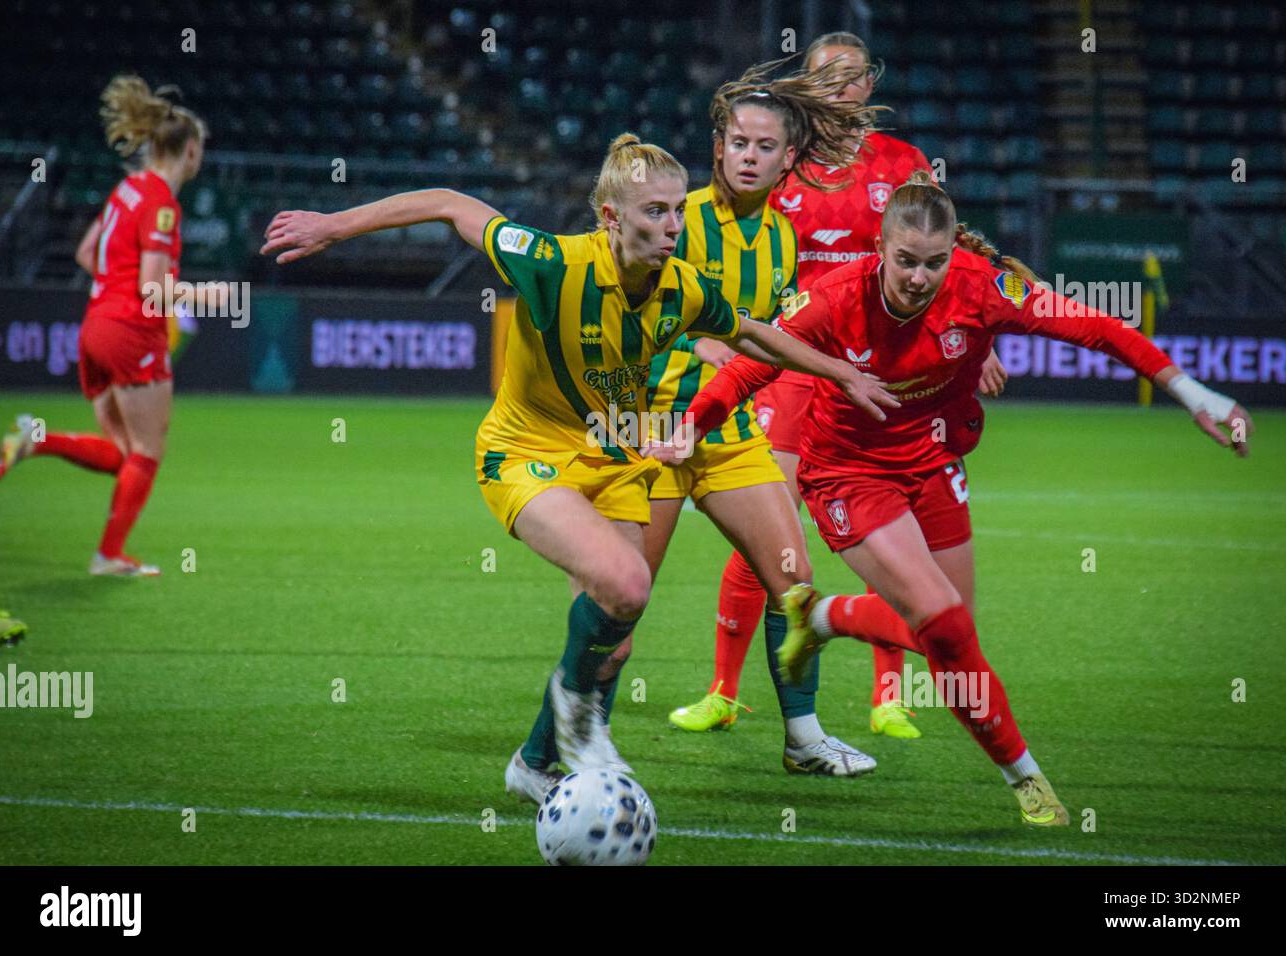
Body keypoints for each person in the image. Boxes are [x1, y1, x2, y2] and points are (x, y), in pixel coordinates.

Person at [259, 133, 895, 803]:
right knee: (626, 586)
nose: (673, 226)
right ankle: (578, 715)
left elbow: (751, 331)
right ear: (610, 217)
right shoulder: (551, 264)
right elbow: (449, 202)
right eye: (655, 211)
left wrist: (840, 374)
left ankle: (535, 764)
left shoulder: (679, 285)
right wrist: (335, 224)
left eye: (678, 210)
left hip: (617, 460)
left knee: (616, 640)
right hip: (528, 452)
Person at [679, 171, 1250, 825]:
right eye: (905, 261)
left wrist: (1196, 395)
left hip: (932, 458)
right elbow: (755, 365)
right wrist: (691, 425)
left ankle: (824, 618)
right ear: (881, 249)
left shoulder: (981, 288)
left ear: (953, 254)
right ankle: (1030, 785)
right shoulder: (833, 298)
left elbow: (1096, 327)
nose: (919, 278)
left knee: (953, 636)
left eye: (934, 262)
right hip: (848, 473)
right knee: (945, 627)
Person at [672, 31, 1006, 740]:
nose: (841, 90)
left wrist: (974, 351)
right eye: (827, 78)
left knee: (896, 525)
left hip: (890, 372)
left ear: (870, 86)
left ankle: (890, 695)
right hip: (799, 366)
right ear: (809, 87)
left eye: (854, 78)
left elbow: (946, 259)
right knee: (770, 529)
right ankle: (724, 690)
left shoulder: (905, 165)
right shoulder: (781, 164)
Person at [609, 61, 881, 775]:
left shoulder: (784, 241)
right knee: (619, 603)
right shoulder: (678, 216)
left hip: (727, 433)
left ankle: (804, 737)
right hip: (655, 433)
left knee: (794, 584)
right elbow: (664, 318)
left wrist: (838, 366)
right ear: (718, 148)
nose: (749, 156)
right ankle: (577, 742)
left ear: (789, 158)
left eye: (764, 146)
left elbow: (765, 336)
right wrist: (718, 343)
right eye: (738, 143)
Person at [0, 75, 216, 576]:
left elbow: (87, 252)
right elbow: (154, 289)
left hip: (94, 328)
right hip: (131, 333)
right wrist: (209, 295)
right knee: (149, 451)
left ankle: (35, 439)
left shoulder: (127, 190)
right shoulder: (161, 203)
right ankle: (108, 556)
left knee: (123, 453)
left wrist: (119, 292)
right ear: (192, 151)